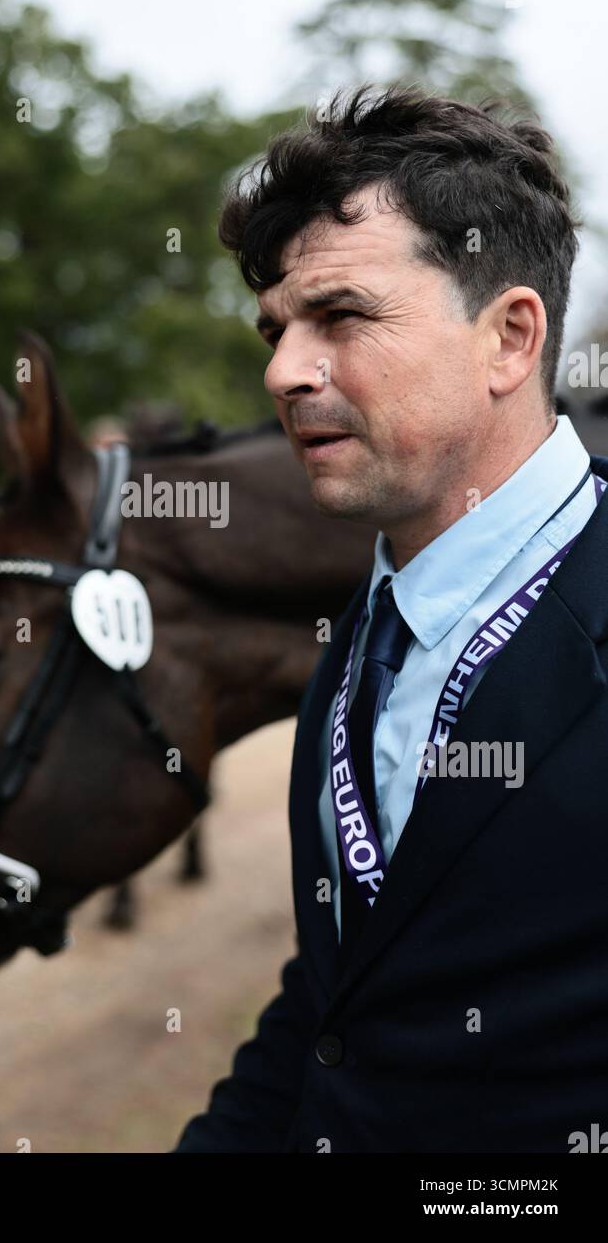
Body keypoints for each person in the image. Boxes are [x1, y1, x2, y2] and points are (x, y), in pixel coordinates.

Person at [173, 86, 608, 1153]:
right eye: (275, 329)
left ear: (508, 338)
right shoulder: (366, 624)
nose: (281, 371)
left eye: (341, 316)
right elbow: (341, 995)